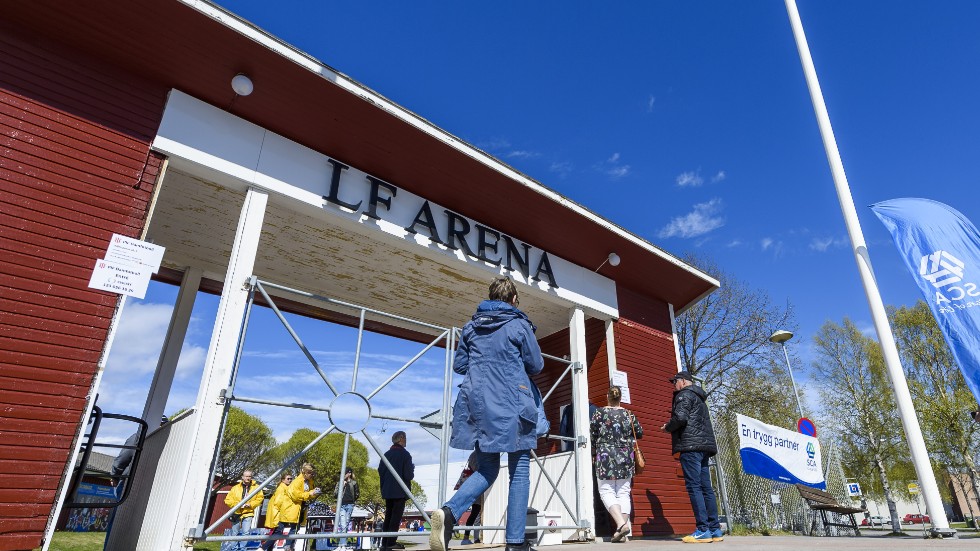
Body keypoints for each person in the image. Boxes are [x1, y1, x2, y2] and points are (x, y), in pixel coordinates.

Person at [430, 277, 545, 551]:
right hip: (514, 405)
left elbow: (460, 366)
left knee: (487, 470)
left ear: (490, 297)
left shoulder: (471, 327)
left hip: (479, 406)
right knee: (519, 473)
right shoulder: (519, 325)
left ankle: (449, 512)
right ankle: (515, 543)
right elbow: (537, 364)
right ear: (513, 299)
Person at [661, 371, 723, 544]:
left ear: (682, 381)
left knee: (694, 487)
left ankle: (703, 529)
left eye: (675, 382)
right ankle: (715, 529)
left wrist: (668, 427)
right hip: (704, 447)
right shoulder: (700, 398)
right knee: (706, 488)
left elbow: (680, 418)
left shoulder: (683, 395)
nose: (674, 385)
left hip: (690, 446)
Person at [590, 385, 643, 543]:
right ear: (620, 398)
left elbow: (592, 435)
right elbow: (639, 432)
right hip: (626, 456)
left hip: (605, 457)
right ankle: (622, 529)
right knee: (623, 492)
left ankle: (620, 524)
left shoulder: (599, 413)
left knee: (606, 491)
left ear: (608, 397)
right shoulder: (628, 414)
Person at [263, 463, 322, 551]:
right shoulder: (297, 482)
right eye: (310, 473)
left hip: (300, 508)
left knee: (294, 529)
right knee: (280, 529)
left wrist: (314, 492)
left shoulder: (309, 481)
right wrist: (309, 494)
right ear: (304, 472)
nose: (312, 475)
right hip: (290, 508)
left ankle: (288, 547)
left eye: (313, 473)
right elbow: (295, 495)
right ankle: (265, 547)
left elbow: (307, 494)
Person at [378, 431, 415, 551]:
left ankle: (384, 542)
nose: (406, 441)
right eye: (405, 438)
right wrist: (412, 469)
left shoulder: (386, 454)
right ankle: (391, 542)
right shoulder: (405, 455)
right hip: (400, 490)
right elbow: (408, 475)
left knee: (388, 516)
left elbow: (380, 471)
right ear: (401, 439)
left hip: (387, 491)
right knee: (395, 517)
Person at [225, 470, 265, 551]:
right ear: (242, 477)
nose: (248, 478)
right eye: (246, 476)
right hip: (237, 512)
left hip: (248, 512)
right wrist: (237, 504)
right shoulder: (235, 488)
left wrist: (251, 504)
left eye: (249, 476)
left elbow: (260, 498)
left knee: (246, 532)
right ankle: (234, 548)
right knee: (234, 532)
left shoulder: (257, 487)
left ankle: (242, 549)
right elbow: (227, 500)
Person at [455, 452, 482, 545]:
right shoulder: (479, 455)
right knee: (476, 513)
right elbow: (478, 470)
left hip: (468, 484)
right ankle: (475, 538)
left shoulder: (472, 455)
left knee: (471, 513)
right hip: (477, 485)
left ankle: (467, 537)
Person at [337, 467, 360, 550]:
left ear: (349, 473)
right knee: (342, 524)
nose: (342, 475)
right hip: (341, 505)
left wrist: (352, 501)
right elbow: (335, 494)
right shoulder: (339, 482)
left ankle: (342, 545)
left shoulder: (354, 483)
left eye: (344, 473)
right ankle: (342, 545)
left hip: (350, 505)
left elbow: (357, 494)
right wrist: (341, 486)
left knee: (345, 524)